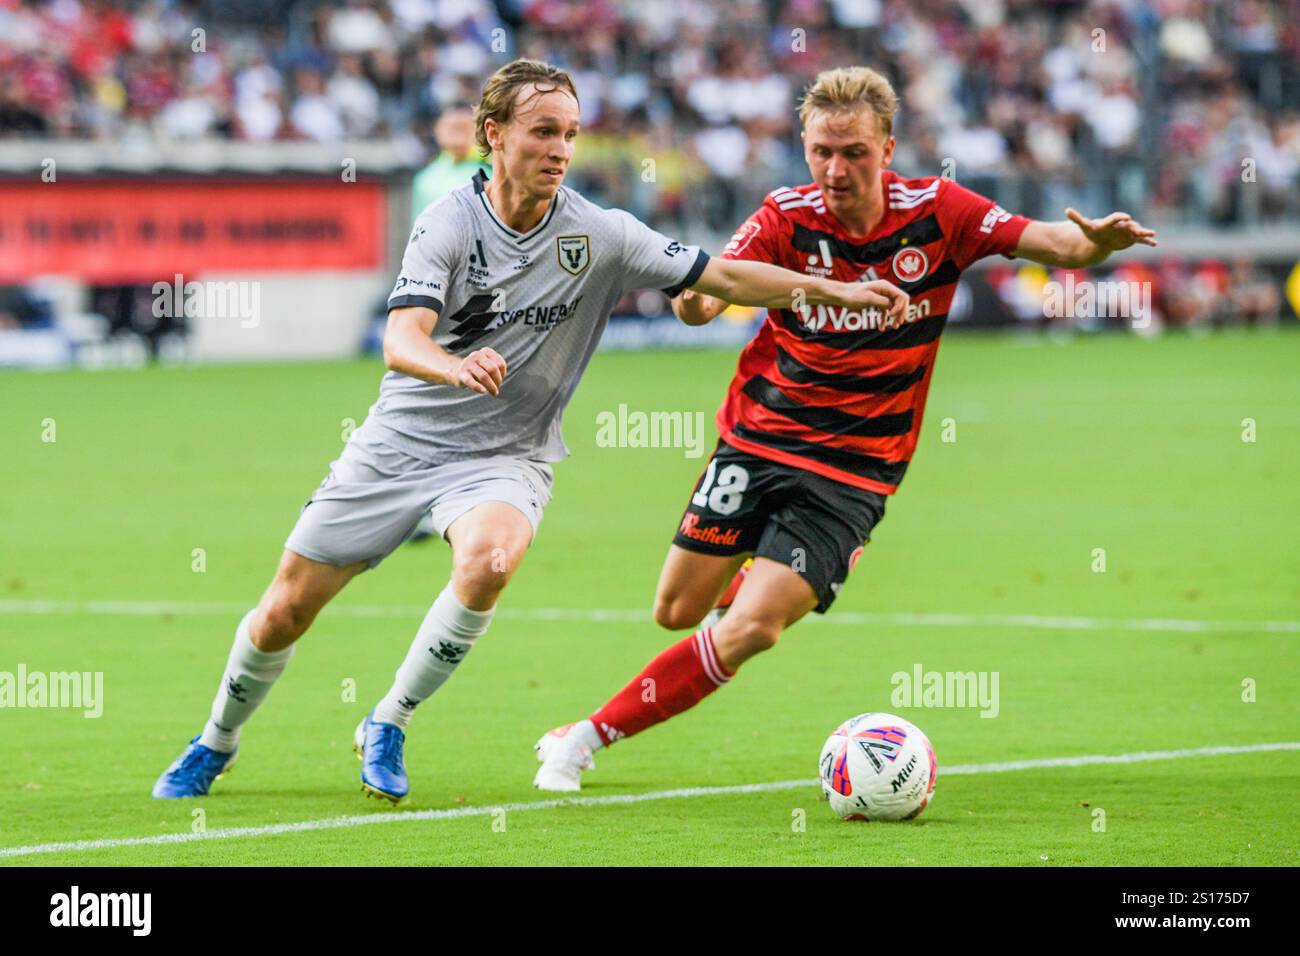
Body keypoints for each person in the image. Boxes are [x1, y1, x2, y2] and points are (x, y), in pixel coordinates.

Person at [151, 59, 909, 803]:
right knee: (286, 609)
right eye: (544, 131)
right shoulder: (447, 221)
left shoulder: (600, 233)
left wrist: (827, 287)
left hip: (507, 455)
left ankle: (390, 718)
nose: (560, 150)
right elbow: (401, 339)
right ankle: (216, 740)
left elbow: (726, 277)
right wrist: (455, 367)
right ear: (495, 135)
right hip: (399, 446)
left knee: (491, 560)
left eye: (571, 134)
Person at [533, 65, 1157, 791]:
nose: (836, 169)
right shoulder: (784, 216)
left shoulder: (940, 212)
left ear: (888, 150)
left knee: (753, 629)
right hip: (759, 437)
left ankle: (583, 738)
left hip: (857, 468)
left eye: (854, 152)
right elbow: (702, 299)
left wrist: (1096, 244)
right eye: (822, 151)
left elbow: (1057, 243)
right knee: (677, 611)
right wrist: (697, 298)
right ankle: (760, 569)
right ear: (805, 147)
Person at [410, 103, 488, 224]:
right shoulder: (425, 179)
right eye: (452, 128)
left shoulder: (492, 169)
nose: (458, 135)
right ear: (437, 129)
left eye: (463, 128)